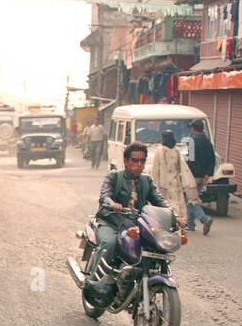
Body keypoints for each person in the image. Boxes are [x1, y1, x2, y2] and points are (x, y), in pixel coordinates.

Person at [85, 142, 170, 302]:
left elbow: (160, 201)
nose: (139, 164)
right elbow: (104, 195)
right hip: (111, 222)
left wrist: (173, 214)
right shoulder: (114, 176)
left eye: (142, 161)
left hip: (136, 226)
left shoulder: (147, 181)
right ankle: (94, 284)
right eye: (135, 160)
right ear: (125, 161)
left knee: (154, 247)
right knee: (110, 243)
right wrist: (112, 204)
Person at [149, 130, 199, 231]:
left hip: (163, 183)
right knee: (178, 203)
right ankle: (180, 223)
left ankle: (167, 223)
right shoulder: (176, 151)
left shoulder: (159, 151)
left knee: (165, 203)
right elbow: (182, 168)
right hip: (175, 183)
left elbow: (155, 168)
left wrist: (152, 183)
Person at [185, 119, 216, 235]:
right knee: (192, 199)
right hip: (203, 176)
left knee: (191, 200)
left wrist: (187, 172)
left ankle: (204, 218)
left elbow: (191, 160)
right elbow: (212, 159)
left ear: (193, 128)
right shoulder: (208, 142)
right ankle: (190, 224)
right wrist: (207, 174)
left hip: (193, 175)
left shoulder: (192, 141)